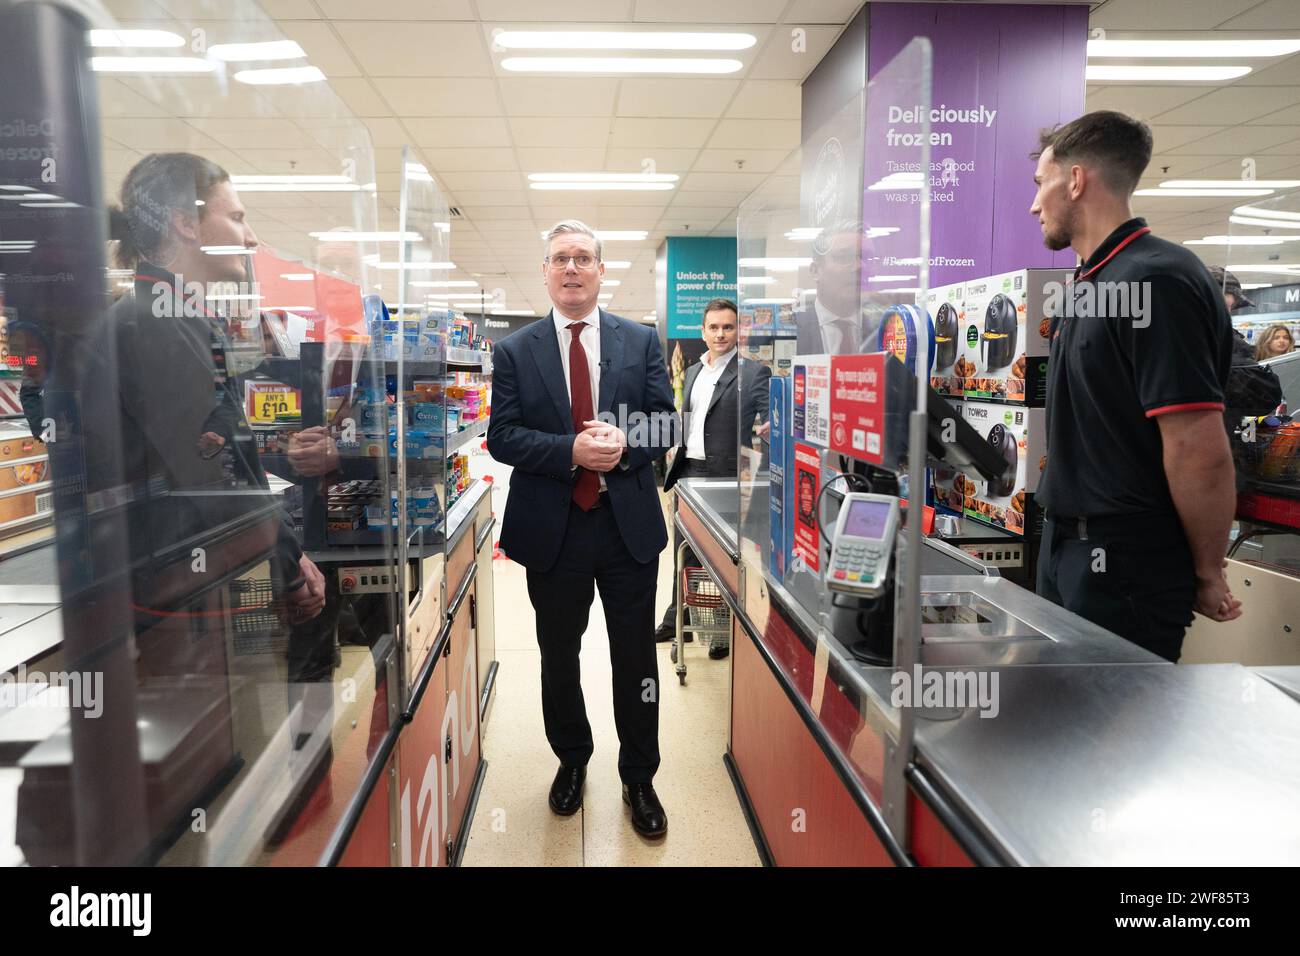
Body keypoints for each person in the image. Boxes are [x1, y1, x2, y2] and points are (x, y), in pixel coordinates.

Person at [486, 220, 678, 837]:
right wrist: (571, 450)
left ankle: (639, 775)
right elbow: (503, 436)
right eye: (560, 259)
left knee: (636, 659)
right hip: (554, 531)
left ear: (601, 271)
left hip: (626, 530)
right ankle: (572, 760)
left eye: (584, 259)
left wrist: (626, 445)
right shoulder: (516, 351)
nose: (572, 269)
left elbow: (665, 425)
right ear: (545, 271)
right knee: (558, 656)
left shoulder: (641, 340)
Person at [1028, 110, 1242, 663]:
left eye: (1040, 185)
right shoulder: (1090, 283)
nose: (1034, 206)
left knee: (1114, 736)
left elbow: (1197, 446)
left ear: (1075, 181)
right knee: (1064, 728)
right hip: (1067, 544)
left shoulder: (1157, 279)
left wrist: (1207, 568)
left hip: (1125, 559)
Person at [657, 298, 771, 657]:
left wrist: (772, 426)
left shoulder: (753, 373)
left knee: (723, 557)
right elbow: (689, 416)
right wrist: (677, 445)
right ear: (702, 331)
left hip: (726, 478)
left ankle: (722, 630)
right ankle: (678, 620)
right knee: (683, 551)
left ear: (738, 331)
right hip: (689, 473)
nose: (721, 334)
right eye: (714, 327)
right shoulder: (693, 371)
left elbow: (770, 415)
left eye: (728, 327)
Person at [793, 224, 869, 354]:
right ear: (815, 271)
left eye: (868, 258)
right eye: (844, 257)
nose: (859, 267)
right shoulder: (787, 332)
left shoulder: (887, 332)